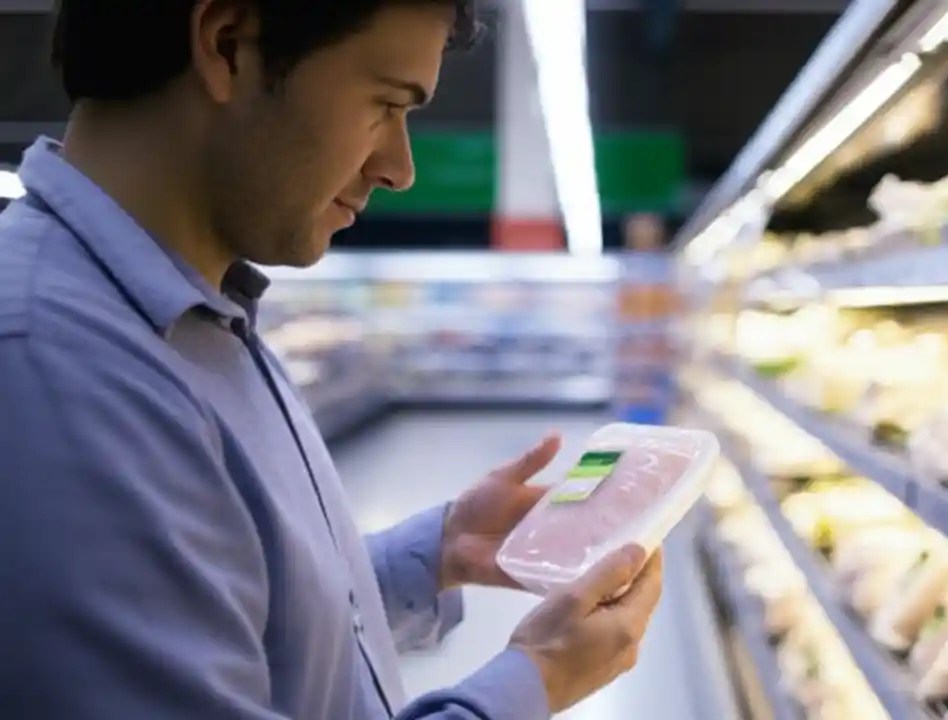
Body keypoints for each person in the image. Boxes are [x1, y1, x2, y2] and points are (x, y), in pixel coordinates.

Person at [0, 1, 664, 719]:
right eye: (386, 104)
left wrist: (434, 554)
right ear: (226, 47)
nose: (400, 168)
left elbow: (239, 631)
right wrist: (536, 679)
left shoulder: (200, 320)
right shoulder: (56, 375)